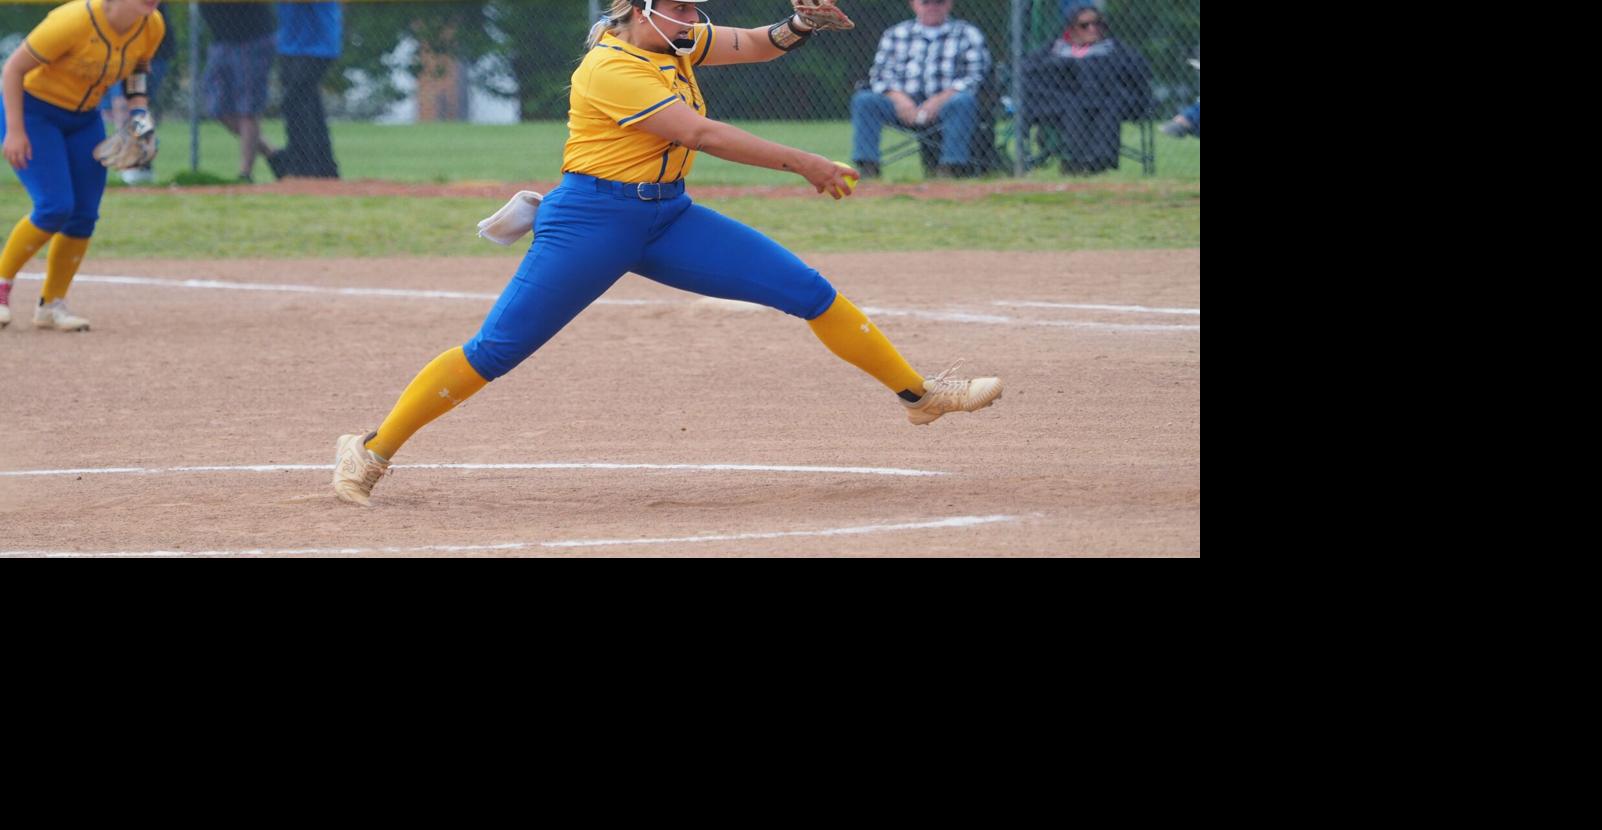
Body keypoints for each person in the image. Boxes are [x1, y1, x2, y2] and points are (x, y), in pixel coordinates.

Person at [332, 0, 1003, 507]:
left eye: (692, 9)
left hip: (668, 215)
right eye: (678, 8)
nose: (690, 20)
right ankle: (370, 450)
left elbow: (754, 44)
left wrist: (799, 24)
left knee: (808, 291)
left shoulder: (674, 42)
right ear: (634, 8)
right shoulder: (609, 66)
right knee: (496, 350)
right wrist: (802, 161)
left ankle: (919, 394)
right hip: (593, 221)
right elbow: (701, 132)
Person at [1, 0, 166, 333]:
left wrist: (139, 114)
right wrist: (15, 130)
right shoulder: (74, 20)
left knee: (84, 214)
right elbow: (12, 70)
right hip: (34, 112)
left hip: (84, 119)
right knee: (54, 206)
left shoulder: (152, 25)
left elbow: (137, 71)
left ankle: (52, 305)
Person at [849, 0, 992, 179]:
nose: (932, 7)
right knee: (864, 100)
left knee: (964, 101)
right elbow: (879, 76)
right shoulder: (895, 34)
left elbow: (975, 77)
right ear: (913, 4)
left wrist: (937, 101)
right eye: (926, 2)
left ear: (949, 4)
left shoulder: (968, 34)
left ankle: (951, 168)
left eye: (939, 2)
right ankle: (868, 167)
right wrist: (901, 101)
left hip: (947, 105)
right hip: (901, 105)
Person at [1021, 3, 1151, 174]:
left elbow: (1137, 76)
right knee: (1074, 105)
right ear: (1071, 28)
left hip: (1108, 101)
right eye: (1084, 25)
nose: (1092, 29)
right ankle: (1076, 161)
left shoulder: (1113, 48)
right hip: (1063, 103)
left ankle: (1100, 161)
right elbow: (1030, 75)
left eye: (1097, 24)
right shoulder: (1055, 49)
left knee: (1109, 104)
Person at [200, 1, 276, 182]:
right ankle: (272, 153)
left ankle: (245, 173)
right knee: (216, 108)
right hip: (221, 41)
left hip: (252, 39)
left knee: (248, 109)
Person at [99, 11, 175, 186]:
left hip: (144, 51)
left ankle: (136, 161)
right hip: (116, 50)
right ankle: (135, 161)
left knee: (128, 105)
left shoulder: (150, 16)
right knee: (116, 108)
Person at [269, 1, 342, 179]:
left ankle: (303, 165)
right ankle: (324, 167)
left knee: (295, 101)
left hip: (318, 44)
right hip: (289, 43)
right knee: (309, 104)